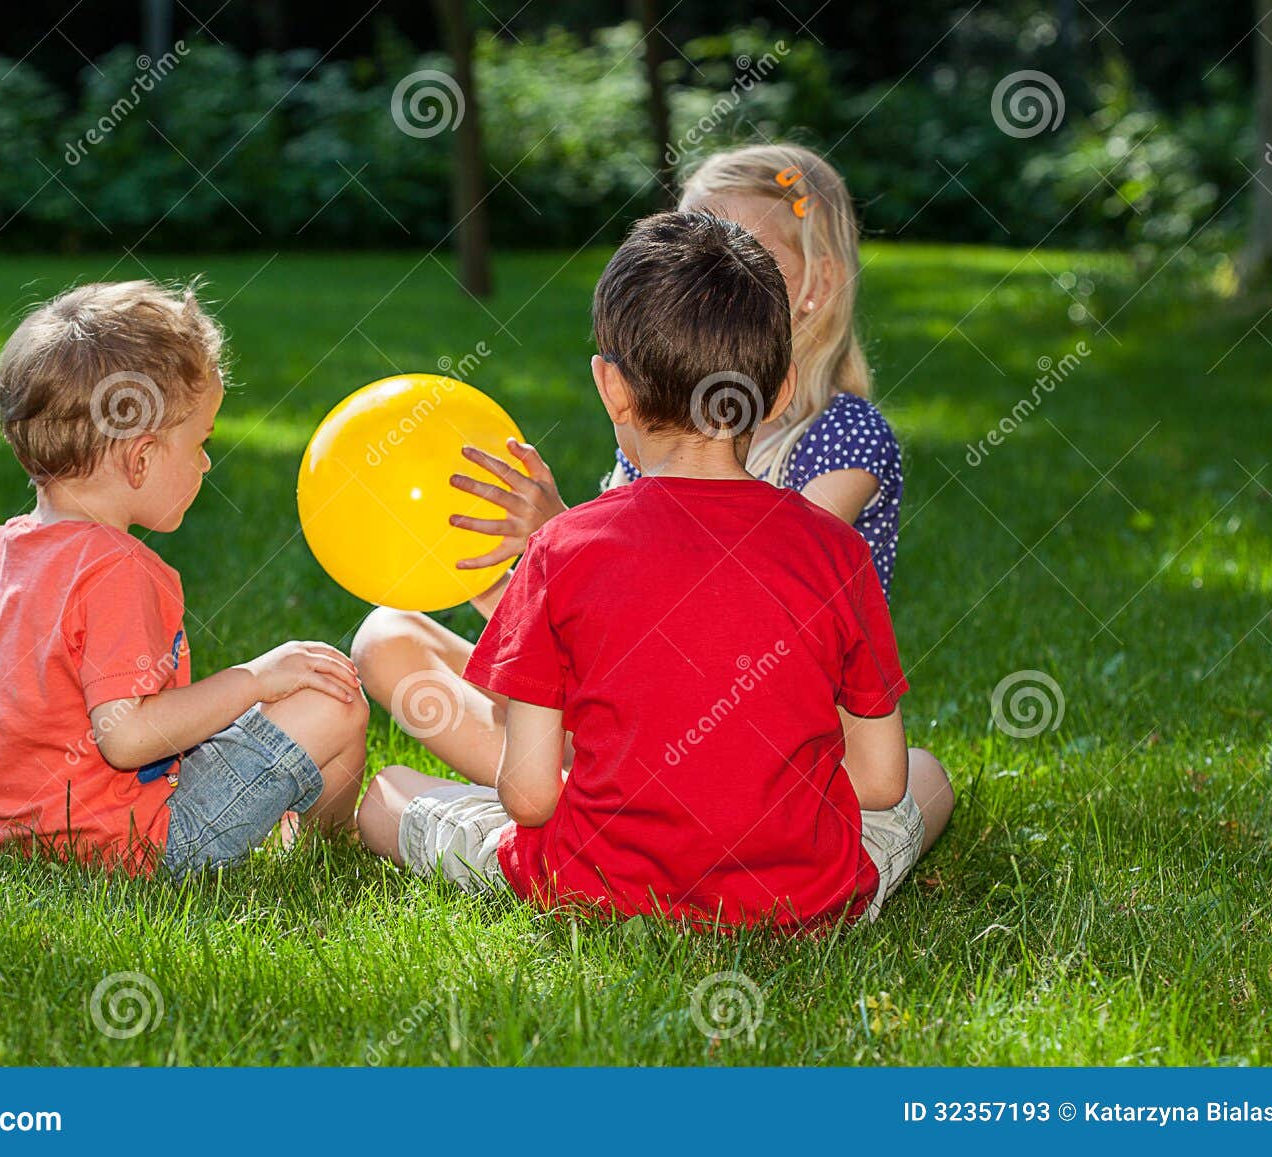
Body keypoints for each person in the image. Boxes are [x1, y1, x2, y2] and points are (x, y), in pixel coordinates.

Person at [356, 212, 951, 927]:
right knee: (926, 775)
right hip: (807, 897)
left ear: (611, 388)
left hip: (595, 882)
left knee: (387, 792)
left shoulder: (561, 546)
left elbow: (531, 797)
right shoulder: (835, 548)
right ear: (783, 387)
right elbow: (882, 782)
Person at [353, 143, 906, 784]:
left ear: (820, 283)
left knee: (918, 776)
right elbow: (611, 629)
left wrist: (560, 534)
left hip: (771, 736)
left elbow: (752, 585)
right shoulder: (653, 428)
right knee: (388, 638)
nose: (713, 283)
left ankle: (581, 809)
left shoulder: (847, 436)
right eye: (695, 254)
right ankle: (598, 798)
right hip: (639, 701)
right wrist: (511, 578)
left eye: (744, 256)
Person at [0, 281, 368, 875]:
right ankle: (325, 850)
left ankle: (299, 835)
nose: (205, 462)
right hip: (137, 845)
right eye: (201, 442)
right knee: (332, 696)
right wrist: (255, 679)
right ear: (141, 457)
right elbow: (124, 739)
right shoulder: (116, 568)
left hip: (10, 838)